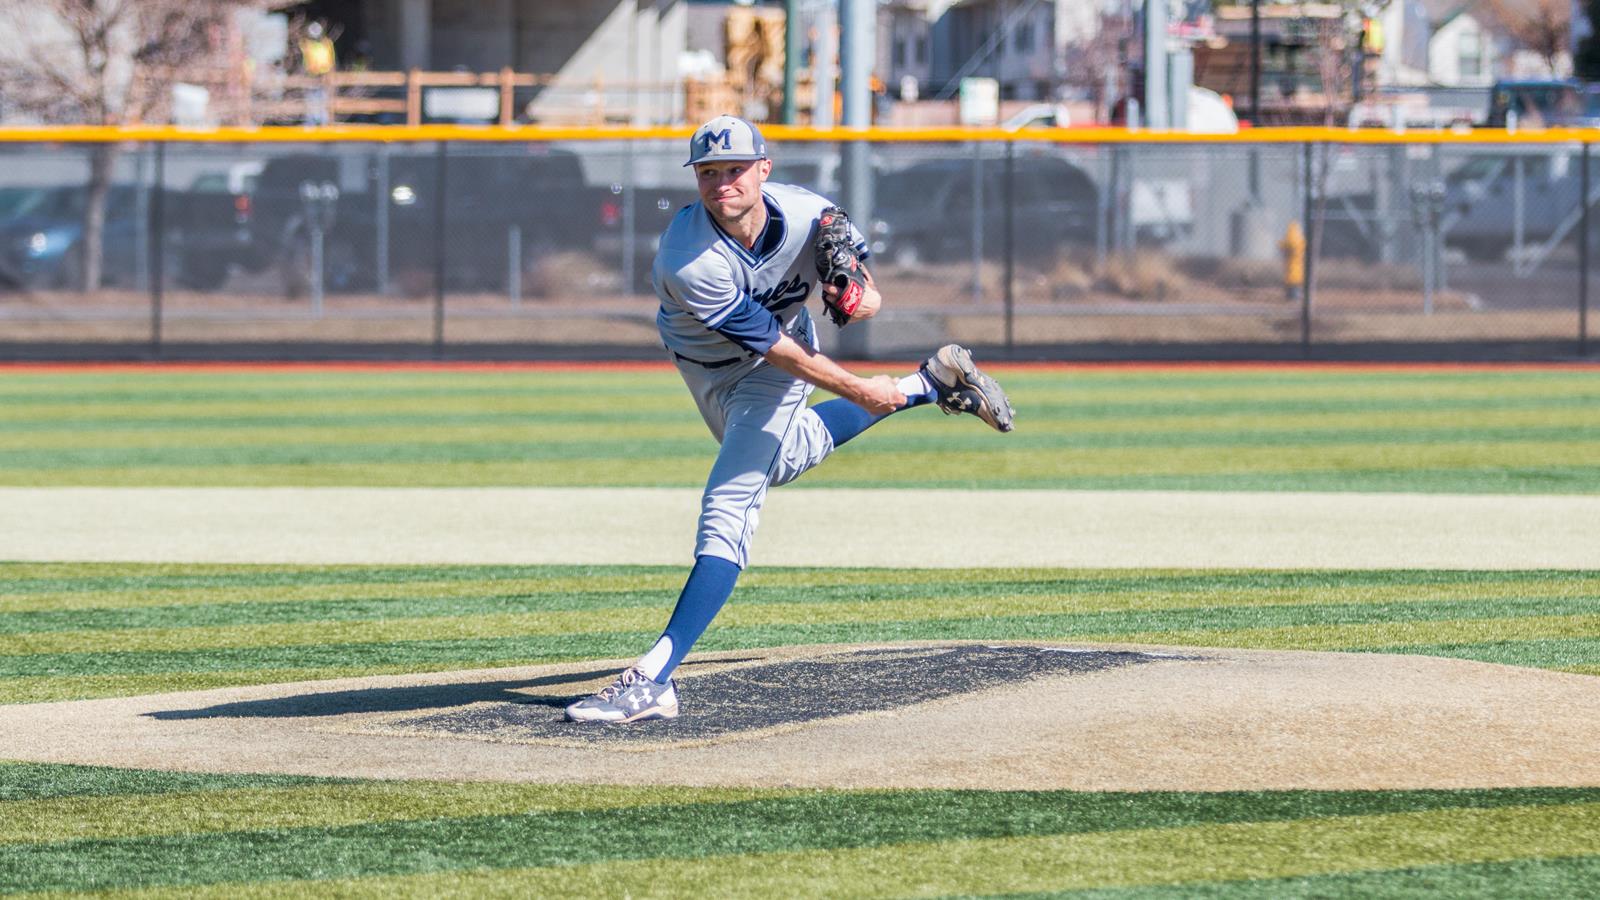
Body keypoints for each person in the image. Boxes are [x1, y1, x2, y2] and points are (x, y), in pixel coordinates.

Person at [565, 115, 1015, 724]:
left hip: (772, 368)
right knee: (784, 458)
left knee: (731, 500)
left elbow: (862, 297)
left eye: (735, 169)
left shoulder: (809, 214)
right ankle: (929, 383)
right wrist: (865, 390)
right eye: (709, 172)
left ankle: (653, 679)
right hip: (713, 366)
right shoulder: (687, 256)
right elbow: (772, 347)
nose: (723, 183)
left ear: (764, 169)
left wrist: (856, 294)